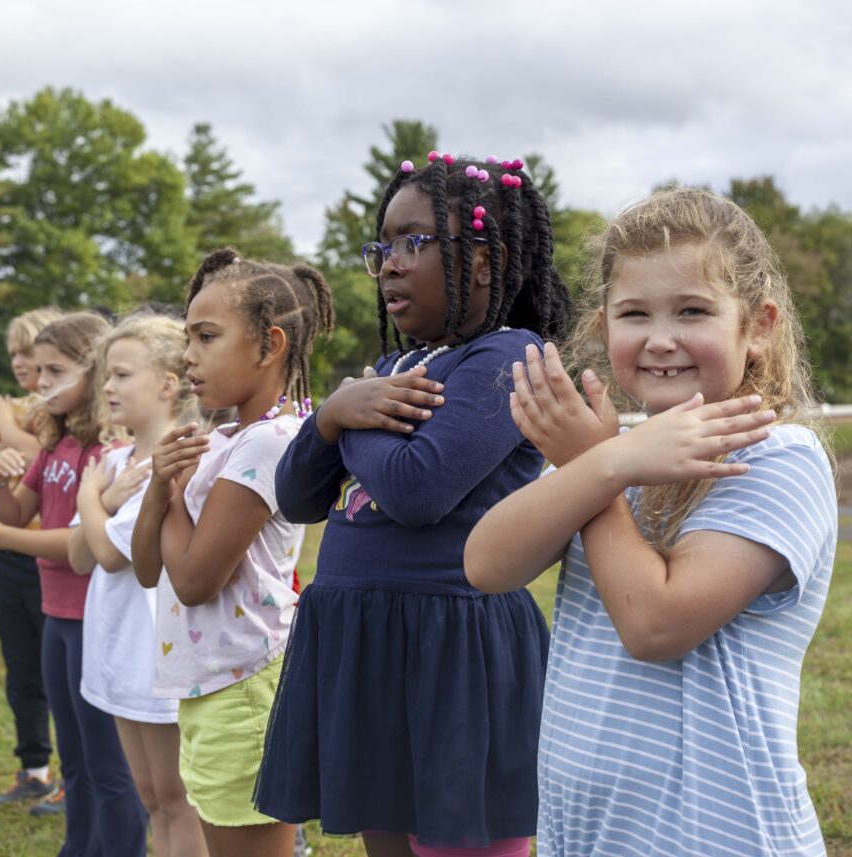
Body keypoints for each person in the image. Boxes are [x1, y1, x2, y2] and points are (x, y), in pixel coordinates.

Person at [465, 187, 835, 857]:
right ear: (605, 326)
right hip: (593, 832)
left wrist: (598, 468)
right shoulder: (617, 459)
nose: (661, 338)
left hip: (719, 835)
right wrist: (602, 464)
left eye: (693, 310)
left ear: (757, 326)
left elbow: (655, 623)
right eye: (635, 313)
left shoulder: (778, 456)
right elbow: (487, 566)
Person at [257, 153, 572, 857]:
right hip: (367, 641)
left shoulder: (503, 357)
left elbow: (416, 488)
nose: (390, 264)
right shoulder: (398, 368)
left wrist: (353, 418)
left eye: (414, 241)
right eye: (384, 246)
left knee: (458, 842)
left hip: (451, 647)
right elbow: (295, 495)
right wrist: (332, 415)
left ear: (485, 260)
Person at [131, 250, 335, 857]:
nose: (188, 356)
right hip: (212, 684)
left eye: (206, 337)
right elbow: (149, 570)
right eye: (187, 337)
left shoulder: (270, 442)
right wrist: (156, 490)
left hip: (245, 684)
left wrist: (169, 498)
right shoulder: (223, 439)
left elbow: (193, 580)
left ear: (269, 346)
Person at [0, 311, 148, 854]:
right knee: (75, 763)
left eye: (53, 371)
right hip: (58, 620)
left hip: (96, 620)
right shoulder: (54, 444)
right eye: (37, 370)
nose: (39, 383)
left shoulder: (107, 453)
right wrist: (2, 480)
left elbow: (77, 545)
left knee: (109, 767)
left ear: (91, 373)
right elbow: (21, 511)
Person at [68, 313, 206, 857]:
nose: (108, 387)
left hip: (158, 652)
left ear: (168, 385)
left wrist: (87, 496)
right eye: (107, 375)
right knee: (151, 798)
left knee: (178, 801)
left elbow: (106, 552)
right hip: (119, 650)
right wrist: (102, 499)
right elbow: (79, 557)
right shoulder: (117, 461)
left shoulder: (172, 459)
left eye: (123, 375)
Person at [0, 306, 64, 810]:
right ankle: (34, 768)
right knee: (21, 669)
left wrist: (5, 425)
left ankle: (79, 775)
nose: (18, 363)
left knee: (63, 673)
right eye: (13, 354)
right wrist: (0, 442)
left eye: (26, 352)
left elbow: (38, 455)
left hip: (49, 551)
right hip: (8, 551)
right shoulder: (14, 407)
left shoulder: (55, 408)